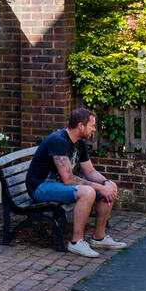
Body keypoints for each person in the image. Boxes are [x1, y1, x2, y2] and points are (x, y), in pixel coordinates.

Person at [25, 108, 126, 258]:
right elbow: (68, 178)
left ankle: (99, 237)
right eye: (92, 125)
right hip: (40, 186)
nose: (94, 129)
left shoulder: (79, 143)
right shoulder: (58, 141)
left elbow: (90, 172)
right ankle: (76, 242)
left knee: (109, 188)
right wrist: (99, 187)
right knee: (87, 192)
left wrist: (106, 183)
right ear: (81, 126)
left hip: (58, 185)